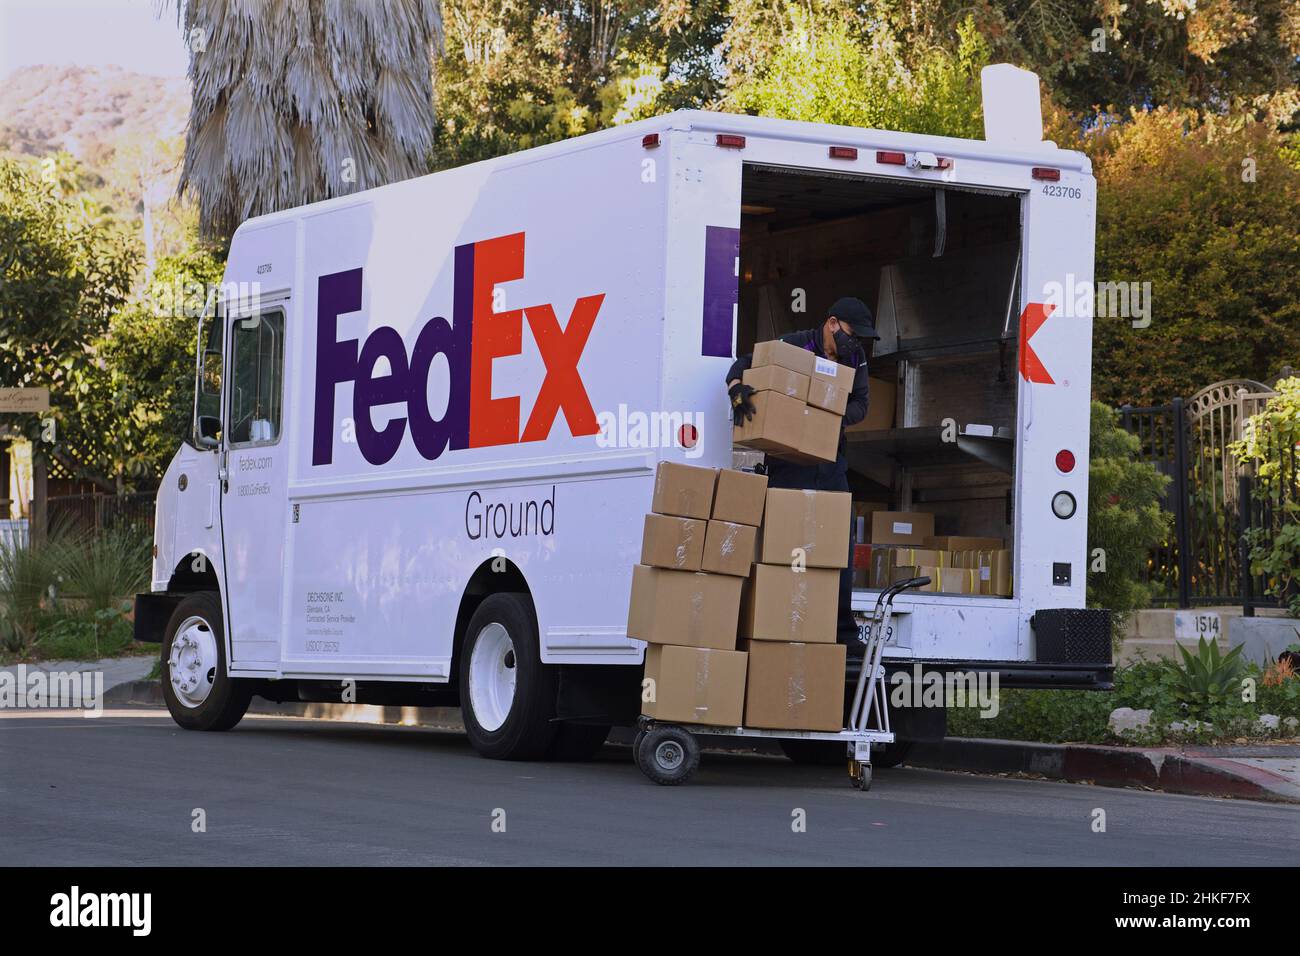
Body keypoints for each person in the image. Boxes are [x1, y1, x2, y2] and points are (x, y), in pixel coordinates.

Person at [726, 296, 878, 655]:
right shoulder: (794, 346)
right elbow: (744, 364)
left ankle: (843, 632)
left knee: (838, 548)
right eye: (851, 334)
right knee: (784, 546)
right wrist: (736, 390)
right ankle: (774, 622)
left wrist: (825, 413)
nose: (854, 343)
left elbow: (862, 405)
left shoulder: (855, 360)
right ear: (832, 323)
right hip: (789, 464)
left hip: (830, 463)